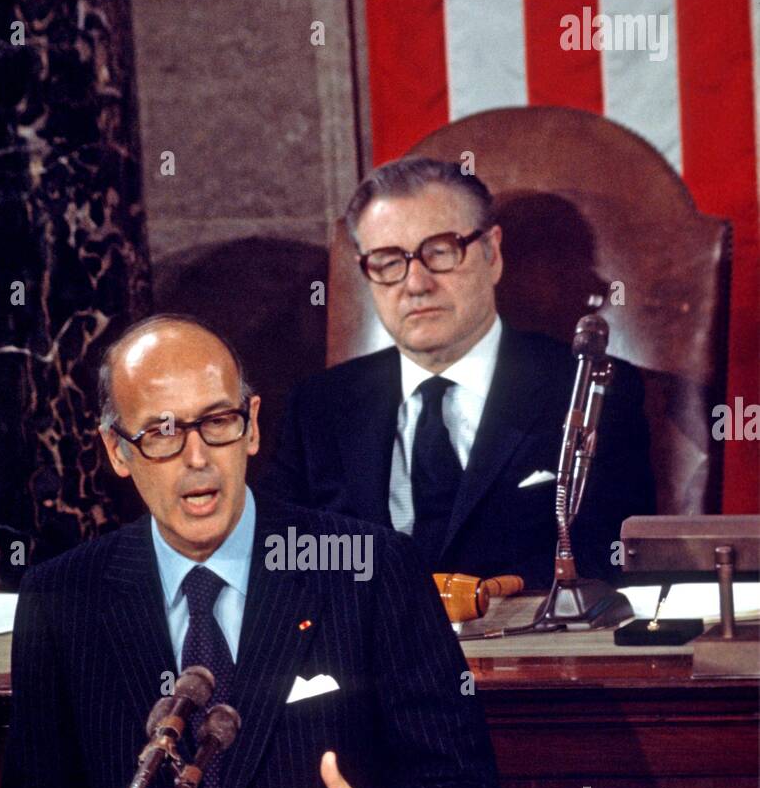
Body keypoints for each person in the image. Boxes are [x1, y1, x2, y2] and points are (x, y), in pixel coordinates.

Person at [0, 314, 511, 788]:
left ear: (253, 428)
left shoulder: (370, 570)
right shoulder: (61, 598)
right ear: (117, 450)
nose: (197, 458)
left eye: (217, 423)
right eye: (162, 432)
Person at [259, 157, 655, 588]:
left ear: (492, 254)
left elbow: (614, 558)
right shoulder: (319, 406)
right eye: (389, 261)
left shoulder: (589, 389)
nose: (416, 283)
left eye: (441, 251)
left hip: (524, 647)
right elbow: (282, 557)